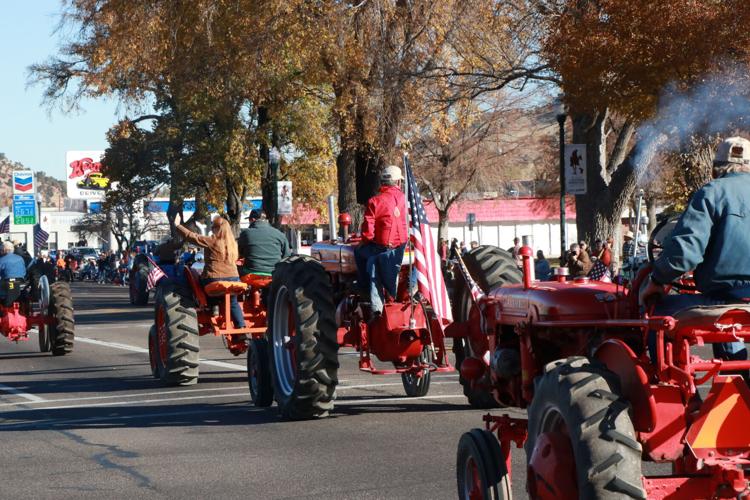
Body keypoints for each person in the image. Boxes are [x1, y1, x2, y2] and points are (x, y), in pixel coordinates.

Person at [640, 136, 750, 364]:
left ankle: (670, 389)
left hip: (726, 301)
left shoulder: (712, 192)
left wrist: (657, 279)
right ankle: (735, 379)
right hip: (737, 302)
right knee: (727, 312)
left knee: (657, 314)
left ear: (716, 168)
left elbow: (682, 255)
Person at [174, 214, 246, 329]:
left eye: (213, 227)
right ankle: (241, 328)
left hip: (214, 278)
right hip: (234, 278)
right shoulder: (233, 244)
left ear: (217, 229)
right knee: (233, 302)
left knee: (199, 281)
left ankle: (213, 307)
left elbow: (191, 236)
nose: (211, 229)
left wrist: (178, 225)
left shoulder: (212, 241)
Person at [354, 165, 408, 317]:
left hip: (382, 249)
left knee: (359, 252)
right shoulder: (406, 200)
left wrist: (364, 241)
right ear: (398, 183)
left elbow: (368, 233)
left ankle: (364, 288)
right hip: (402, 248)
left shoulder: (374, 201)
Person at [237, 209, 290, 278]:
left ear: (252, 219)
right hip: (274, 274)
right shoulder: (279, 234)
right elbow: (287, 256)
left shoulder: (246, 233)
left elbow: (239, 253)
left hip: (251, 273)